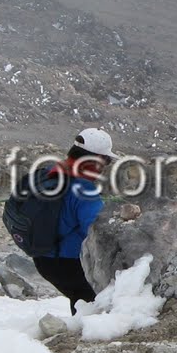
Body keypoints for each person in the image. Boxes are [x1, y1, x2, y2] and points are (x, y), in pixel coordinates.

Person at [33, 128, 115, 312]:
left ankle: (78, 331)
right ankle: (87, 335)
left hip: (41, 257)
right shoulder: (85, 191)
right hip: (67, 260)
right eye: (106, 161)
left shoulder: (48, 172)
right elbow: (97, 232)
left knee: (78, 296)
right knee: (91, 302)